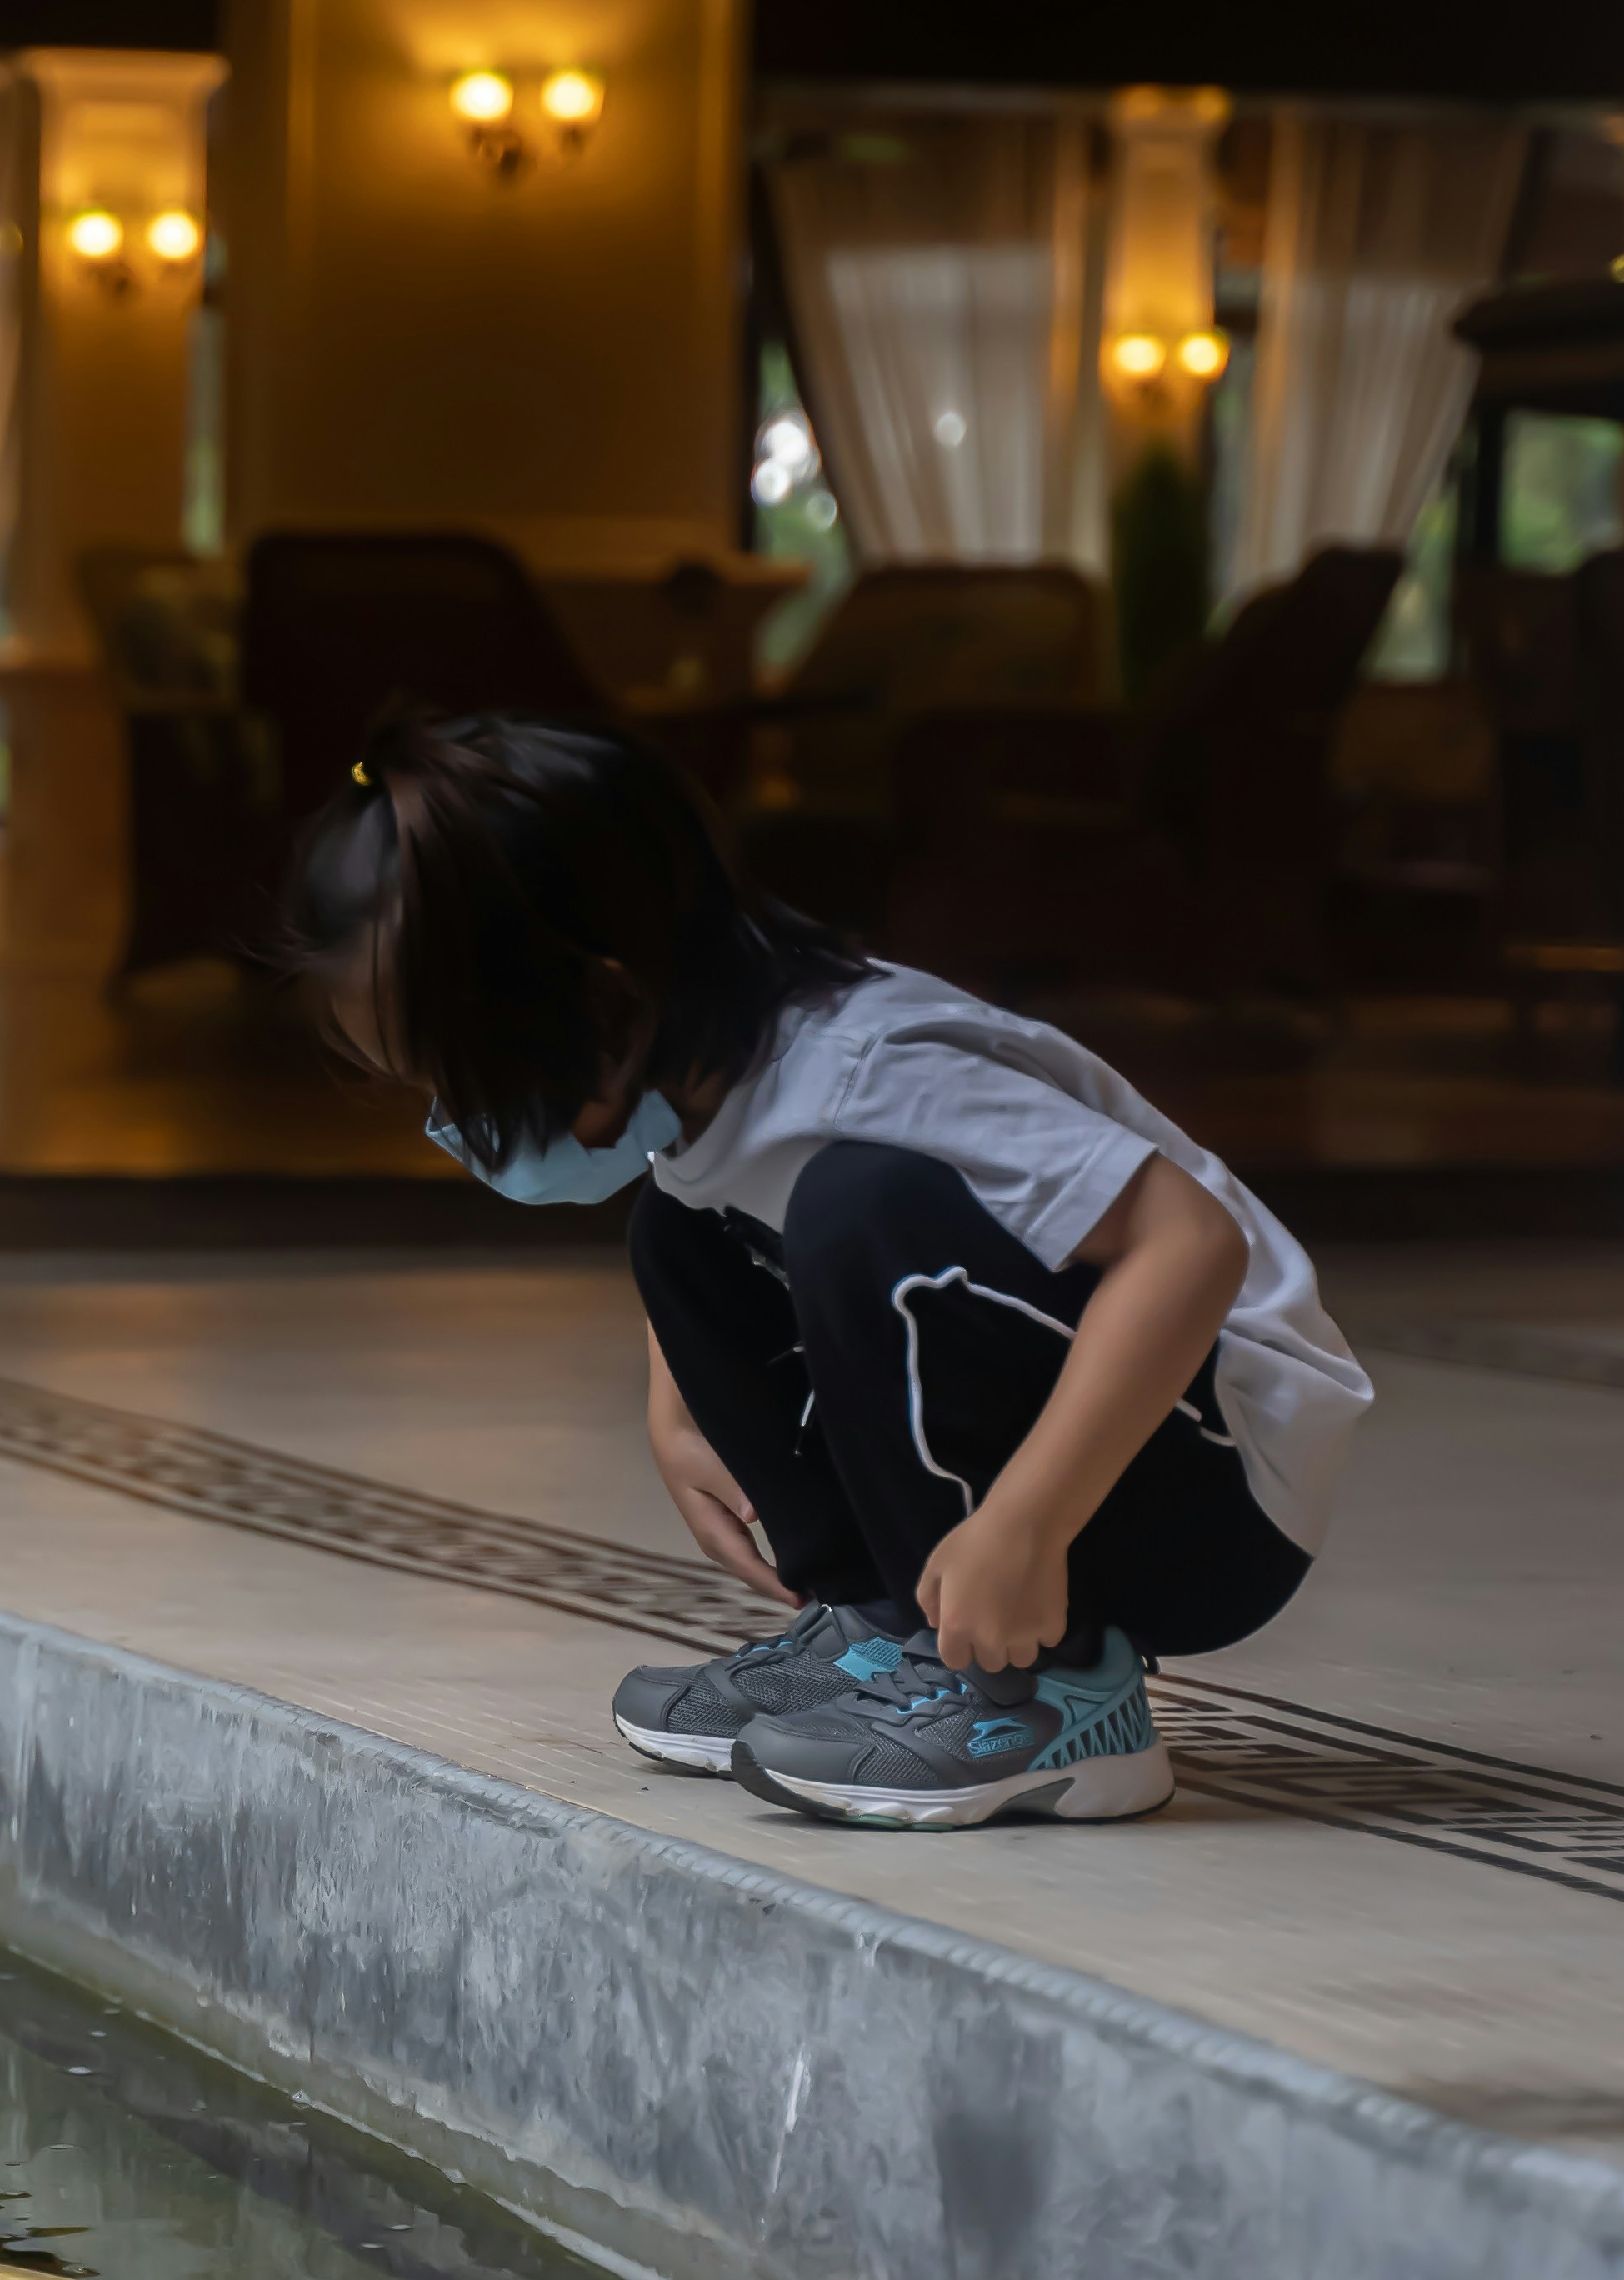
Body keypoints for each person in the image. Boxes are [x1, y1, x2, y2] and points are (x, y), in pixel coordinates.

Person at [280, 708, 1369, 1832]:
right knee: (675, 1226)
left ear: (604, 1005)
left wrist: (1028, 1524)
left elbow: (1188, 1244)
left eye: (464, 1083)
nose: (457, 1123)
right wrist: (676, 1409)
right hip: (1119, 1470)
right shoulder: (707, 1064)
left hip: (1221, 1497)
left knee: (862, 1207)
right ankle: (886, 1629)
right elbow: (709, 1192)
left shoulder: (871, 1068)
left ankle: (1051, 1691)